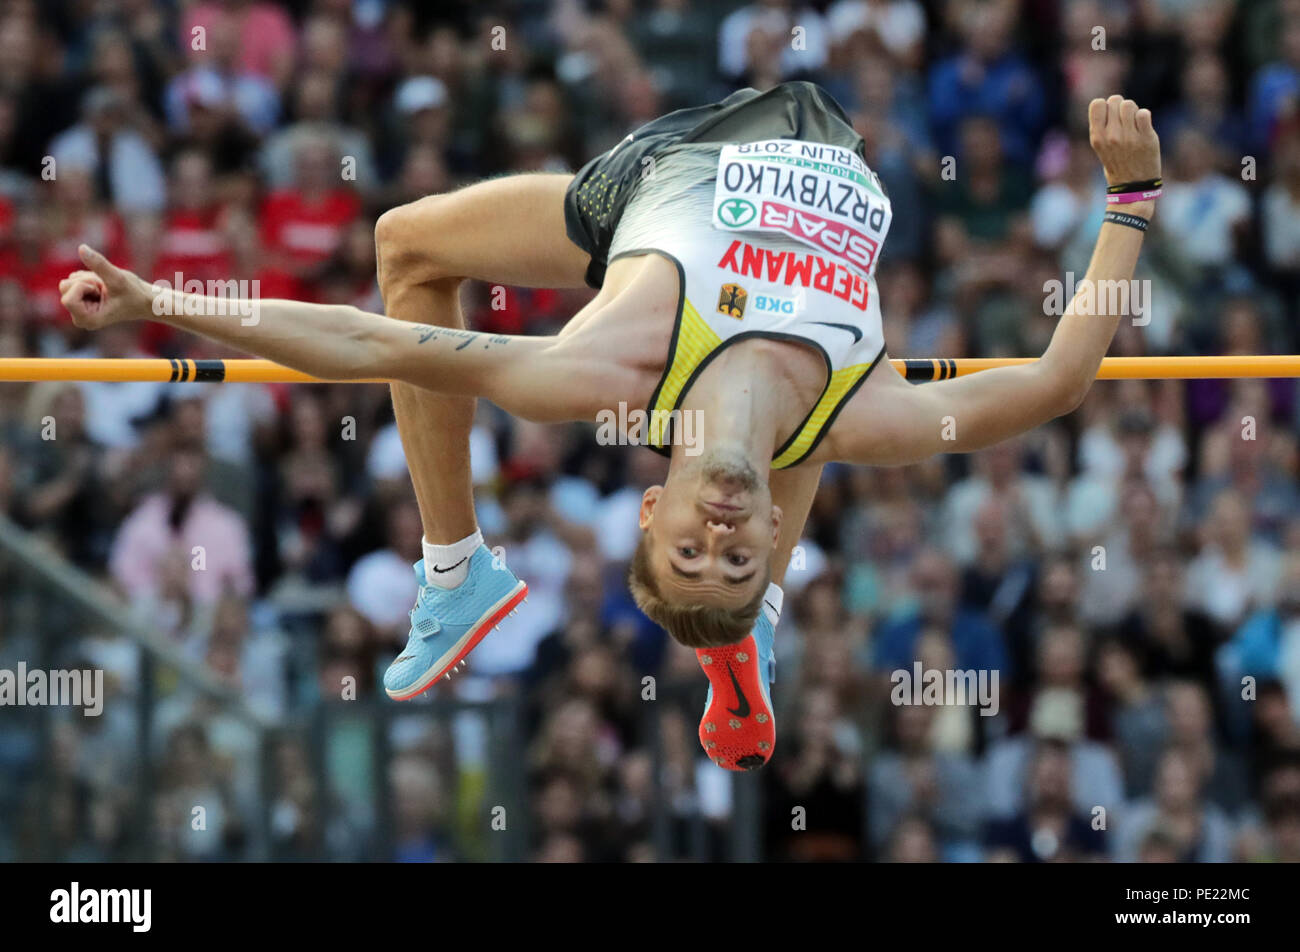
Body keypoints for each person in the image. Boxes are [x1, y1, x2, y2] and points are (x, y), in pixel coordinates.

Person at [57, 82, 1162, 771]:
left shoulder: (598, 366)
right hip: (819, 135)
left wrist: (165, 302)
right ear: (770, 533)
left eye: (693, 546)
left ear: (651, 503)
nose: (721, 527)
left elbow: (364, 342)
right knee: (804, 427)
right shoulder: (863, 417)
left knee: (404, 245)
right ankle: (750, 627)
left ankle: (454, 568)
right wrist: (1129, 203)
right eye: (739, 554)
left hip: (651, 181)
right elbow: (1062, 376)